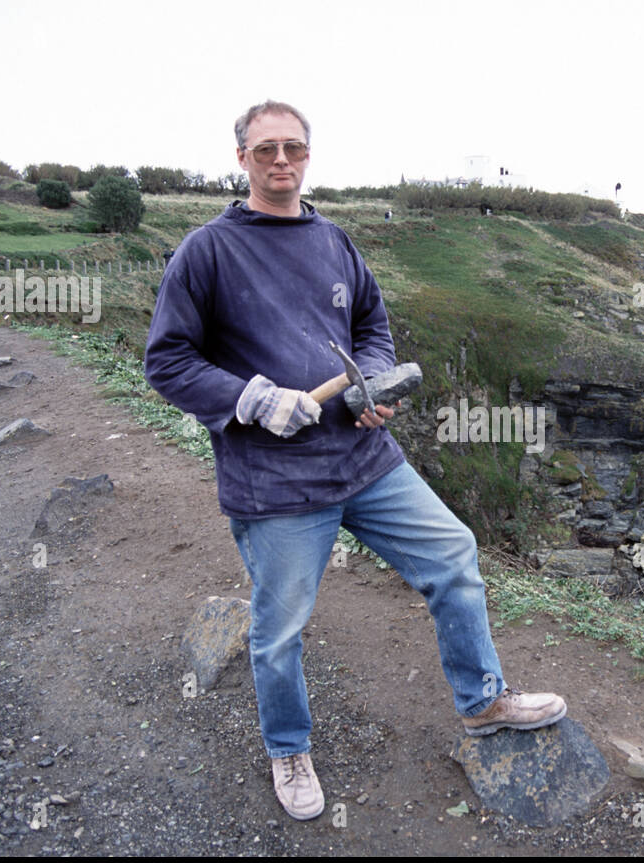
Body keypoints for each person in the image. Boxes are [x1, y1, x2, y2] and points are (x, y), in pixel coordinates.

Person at [143, 100, 566, 821]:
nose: (282, 160)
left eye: (294, 147)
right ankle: (288, 749)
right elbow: (168, 361)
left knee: (452, 555)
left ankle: (483, 701)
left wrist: (369, 382)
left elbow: (371, 326)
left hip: (365, 459)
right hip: (276, 482)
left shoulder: (334, 240)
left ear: (308, 154)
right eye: (266, 149)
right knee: (280, 629)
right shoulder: (207, 251)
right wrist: (253, 399)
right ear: (242, 158)